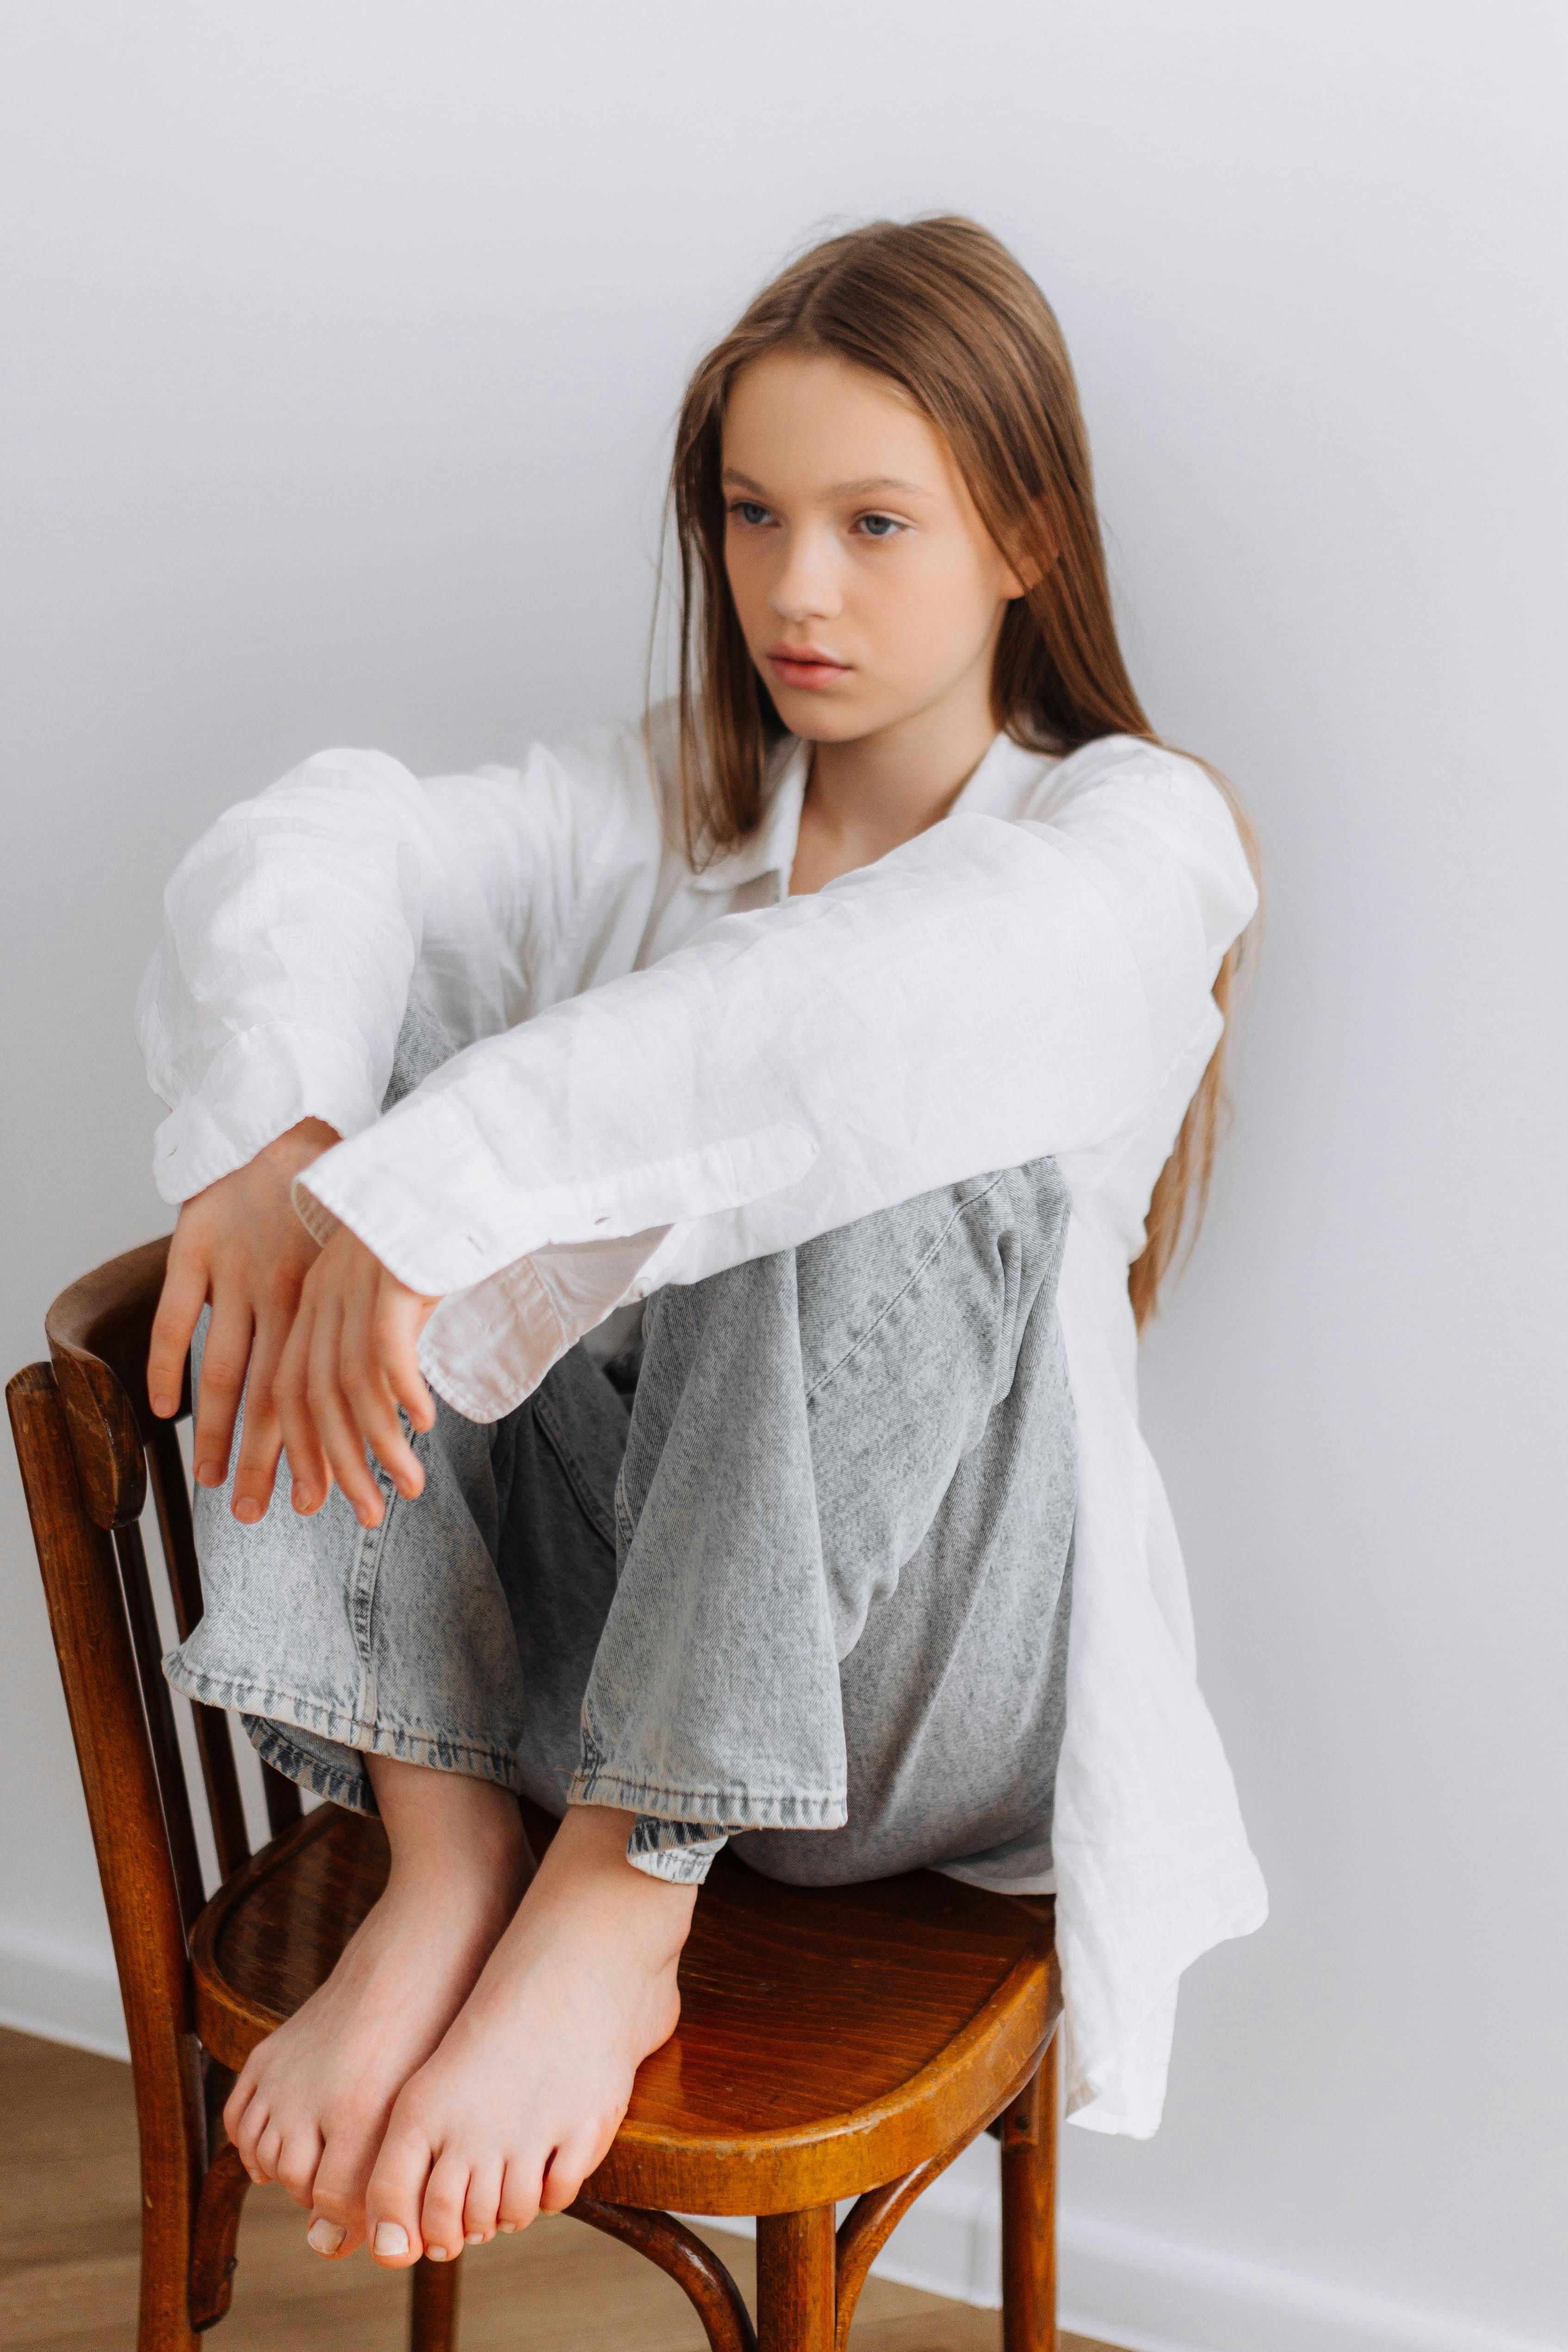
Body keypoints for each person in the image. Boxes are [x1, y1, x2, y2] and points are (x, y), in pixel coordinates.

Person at [138, 214, 1267, 2272]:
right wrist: (298, 1140)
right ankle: (444, 1845)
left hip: (908, 1713)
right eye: (754, 515)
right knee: (341, 1070)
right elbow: (320, 838)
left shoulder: (1131, 835)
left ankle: (620, 1893)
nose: (794, 588)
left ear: (1024, 533)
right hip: (583, 1644)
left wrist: (439, 1191)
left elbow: (870, 1005)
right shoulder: (668, 799)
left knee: (867, 1123)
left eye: (872, 523)